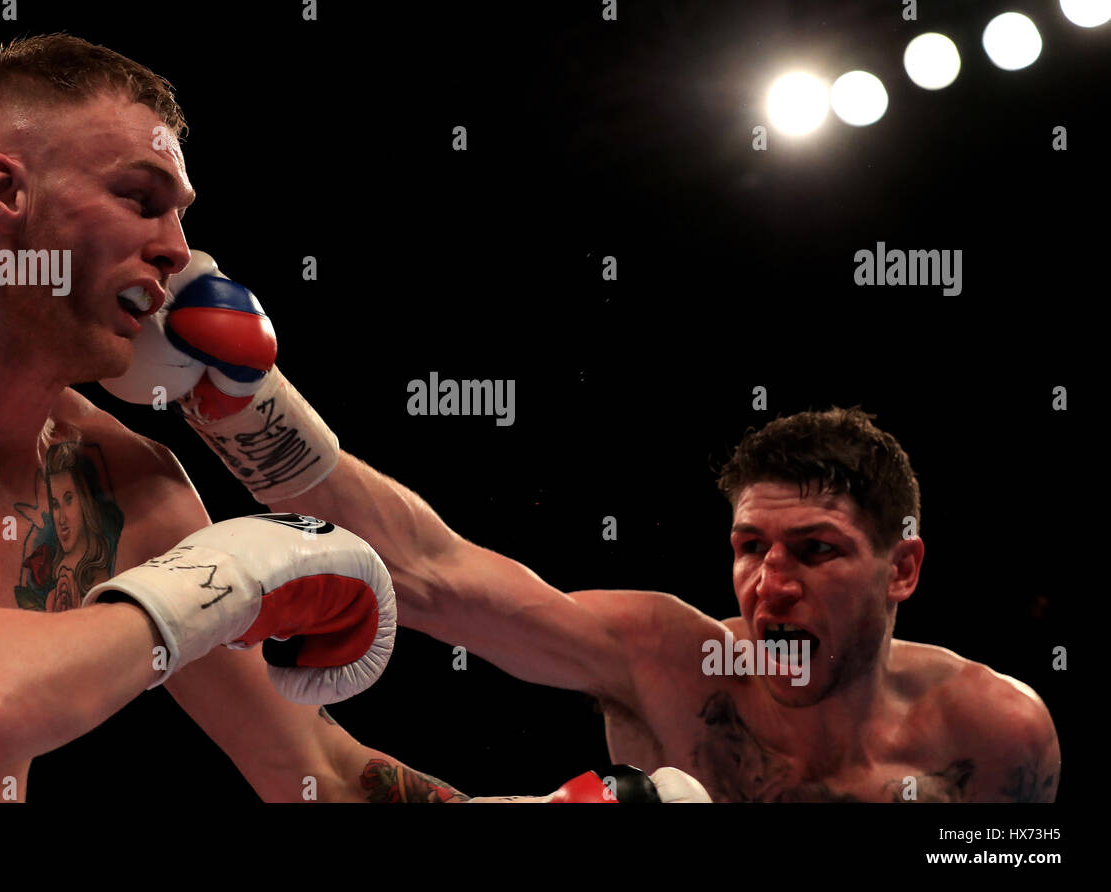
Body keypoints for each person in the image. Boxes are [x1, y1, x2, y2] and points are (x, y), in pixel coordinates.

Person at [0, 33, 660, 804]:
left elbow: (317, 774)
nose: (179, 248)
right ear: (4, 191)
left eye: (182, 212)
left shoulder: (123, 479)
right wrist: (218, 581)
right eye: (141, 199)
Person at [125, 254, 1061, 801]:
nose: (770, 586)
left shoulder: (995, 736)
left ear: (902, 569)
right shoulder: (666, 660)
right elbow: (429, 572)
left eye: (816, 551)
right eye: (749, 548)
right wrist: (247, 406)